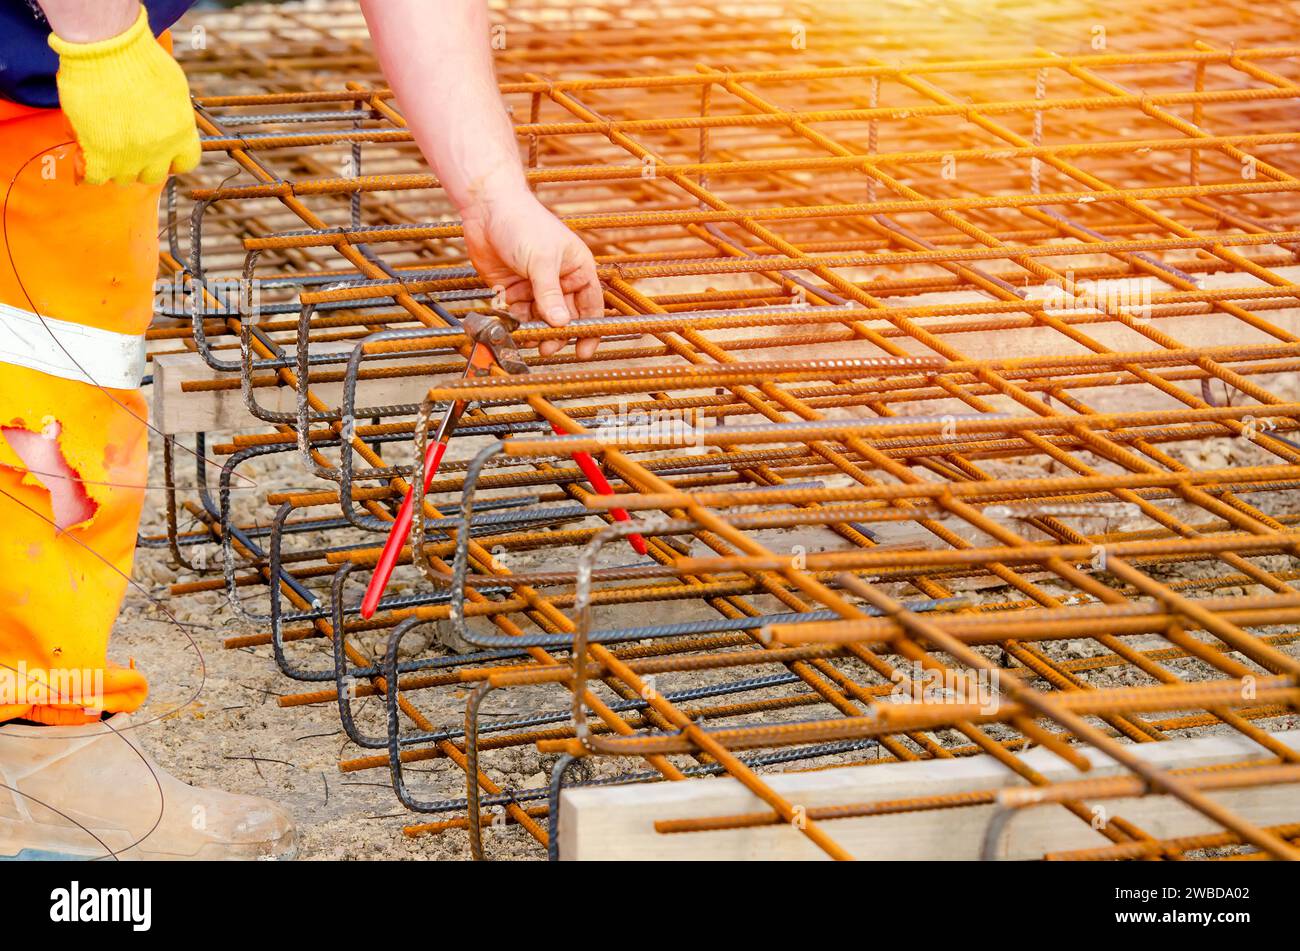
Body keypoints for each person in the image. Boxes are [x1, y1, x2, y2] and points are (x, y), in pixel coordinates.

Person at [0, 0, 601, 860]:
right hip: (72, 40)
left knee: (59, 394)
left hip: (45, 78)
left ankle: (35, 748)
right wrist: (101, 38)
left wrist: (493, 194)